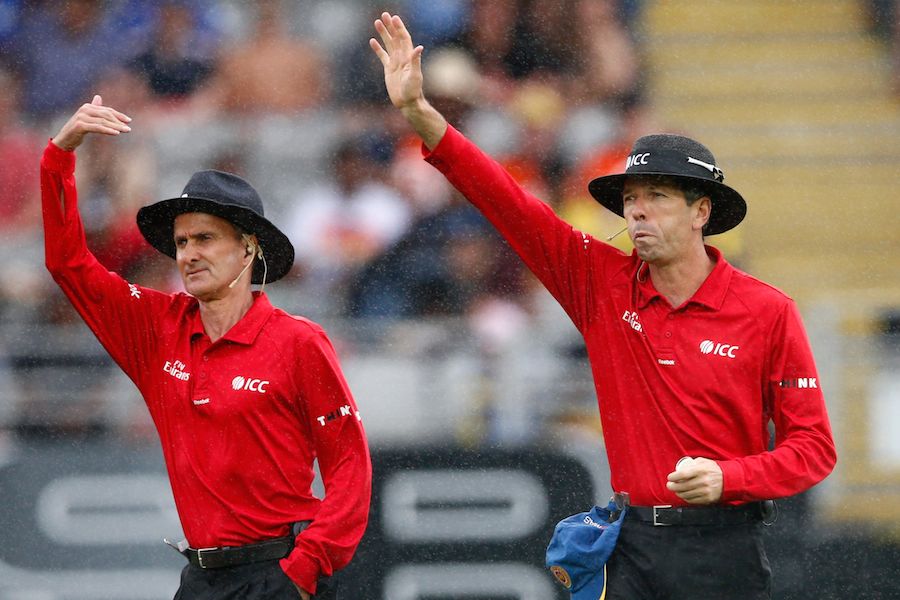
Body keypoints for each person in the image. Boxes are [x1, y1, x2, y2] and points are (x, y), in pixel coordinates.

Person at [370, 13, 836, 600]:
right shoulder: (600, 281)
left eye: (657, 197)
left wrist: (730, 476)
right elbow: (504, 200)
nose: (636, 210)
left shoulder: (767, 310)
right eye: (631, 198)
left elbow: (813, 449)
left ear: (702, 212)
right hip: (630, 548)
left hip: (726, 548)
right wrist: (419, 114)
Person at [40, 96, 371, 600]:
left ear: (248, 246)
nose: (188, 254)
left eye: (205, 239)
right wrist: (59, 157)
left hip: (281, 573)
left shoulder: (299, 342)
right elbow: (68, 264)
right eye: (181, 242)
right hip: (200, 581)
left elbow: (350, 467)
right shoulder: (156, 328)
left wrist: (305, 569)